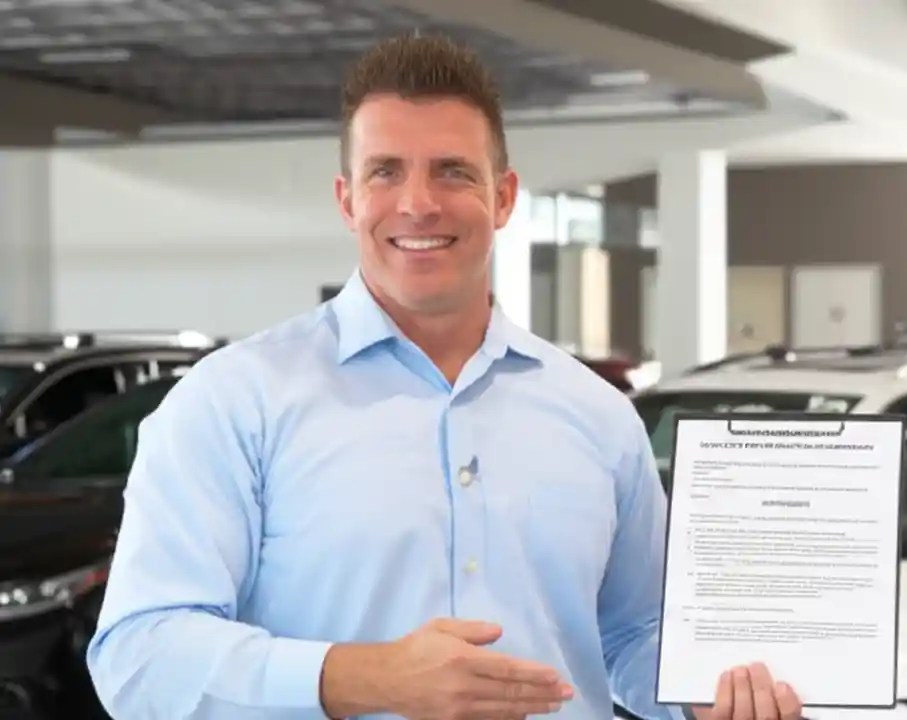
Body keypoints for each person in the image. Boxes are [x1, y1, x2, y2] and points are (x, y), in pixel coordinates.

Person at [85, 33, 805, 720]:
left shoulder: (599, 415)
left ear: (503, 197)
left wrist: (705, 694)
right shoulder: (232, 402)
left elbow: (633, 632)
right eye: (386, 171)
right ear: (347, 200)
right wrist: (367, 677)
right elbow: (139, 657)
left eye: (453, 171)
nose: (419, 203)